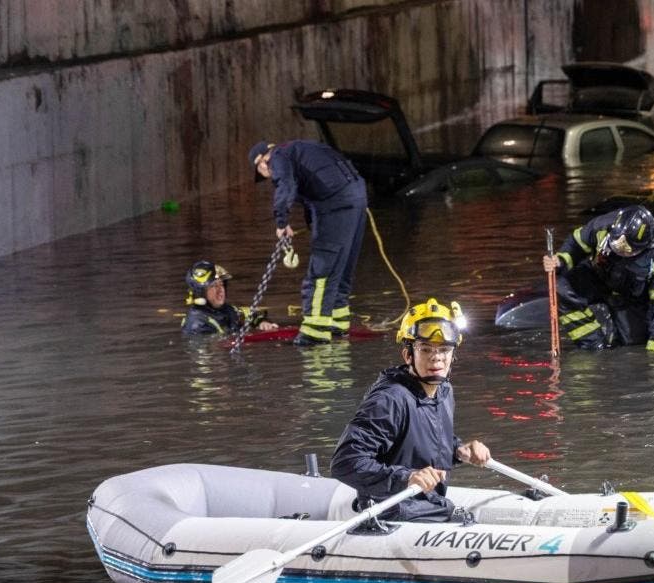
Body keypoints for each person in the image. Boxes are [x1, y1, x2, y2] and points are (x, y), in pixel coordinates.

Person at [330, 298, 490, 522]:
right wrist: (407, 477)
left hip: (426, 503)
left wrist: (458, 450)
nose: (436, 357)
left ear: (453, 355)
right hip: (391, 509)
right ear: (408, 355)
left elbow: (419, 439)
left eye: (444, 350)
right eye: (425, 349)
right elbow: (345, 462)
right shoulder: (390, 399)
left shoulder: (443, 391)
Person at [249, 139, 368, 345]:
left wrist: (281, 222)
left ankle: (315, 332)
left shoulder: (278, 156)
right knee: (340, 271)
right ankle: (337, 326)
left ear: (262, 163)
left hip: (335, 203)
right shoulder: (302, 148)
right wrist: (314, 227)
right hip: (356, 198)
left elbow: (285, 184)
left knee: (321, 274)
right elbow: (311, 197)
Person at [542, 204, 654, 351]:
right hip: (599, 276)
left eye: (625, 250)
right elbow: (576, 243)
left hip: (631, 296)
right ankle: (593, 345)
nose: (619, 252)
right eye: (616, 245)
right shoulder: (603, 224)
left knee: (631, 347)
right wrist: (559, 260)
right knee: (561, 287)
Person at [180, 260, 278, 335]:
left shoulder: (228, 310)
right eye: (214, 286)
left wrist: (262, 323)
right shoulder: (196, 323)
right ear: (200, 292)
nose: (220, 290)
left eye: (221, 284)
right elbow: (213, 348)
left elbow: (250, 314)